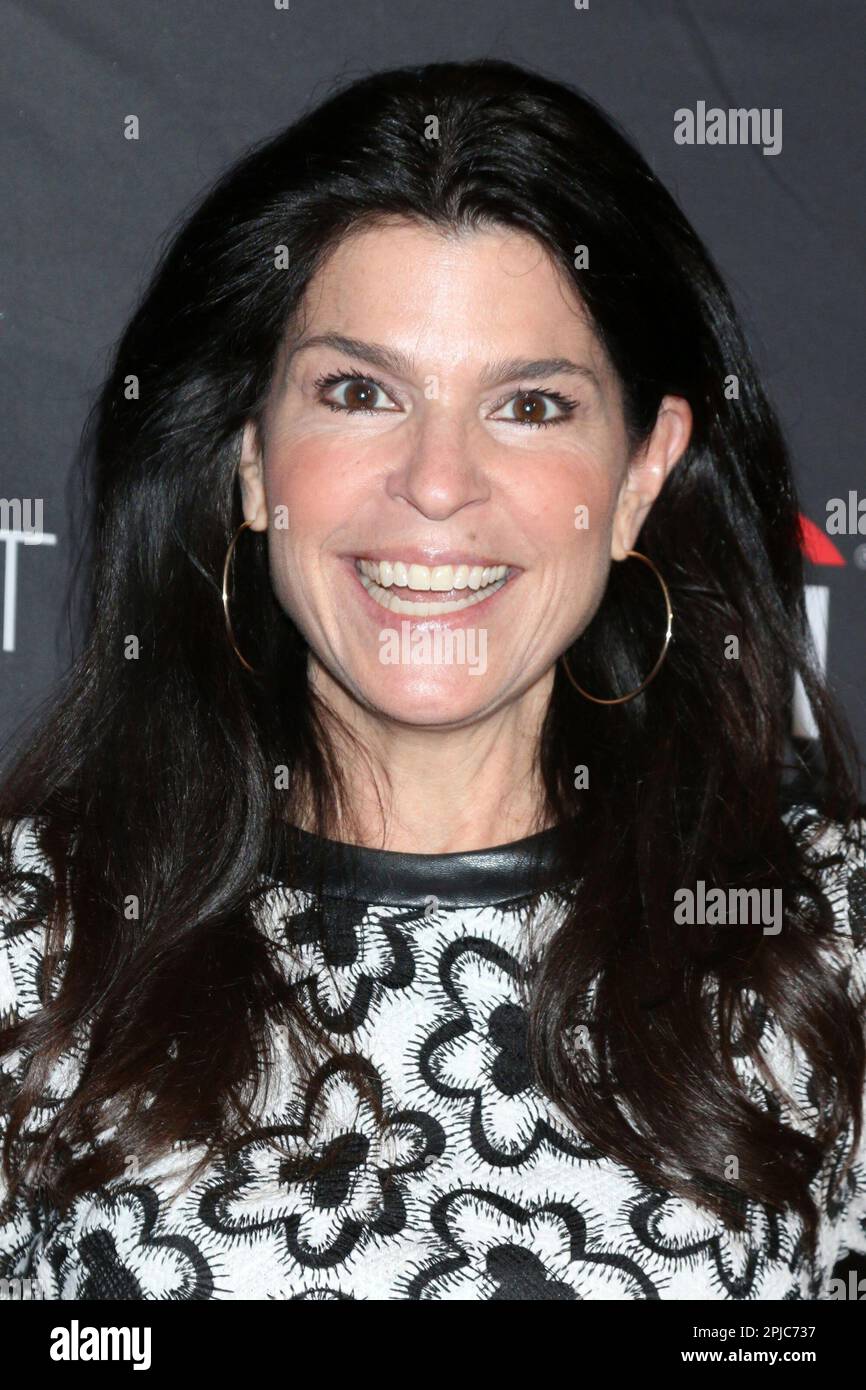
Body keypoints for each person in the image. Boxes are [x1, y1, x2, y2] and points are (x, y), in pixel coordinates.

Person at [1, 58, 864, 1301]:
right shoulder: (36, 947)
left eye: (528, 404)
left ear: (637, 476)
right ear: (250, 456)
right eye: (358, 392)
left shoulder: (821, 949)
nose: (437, 482)